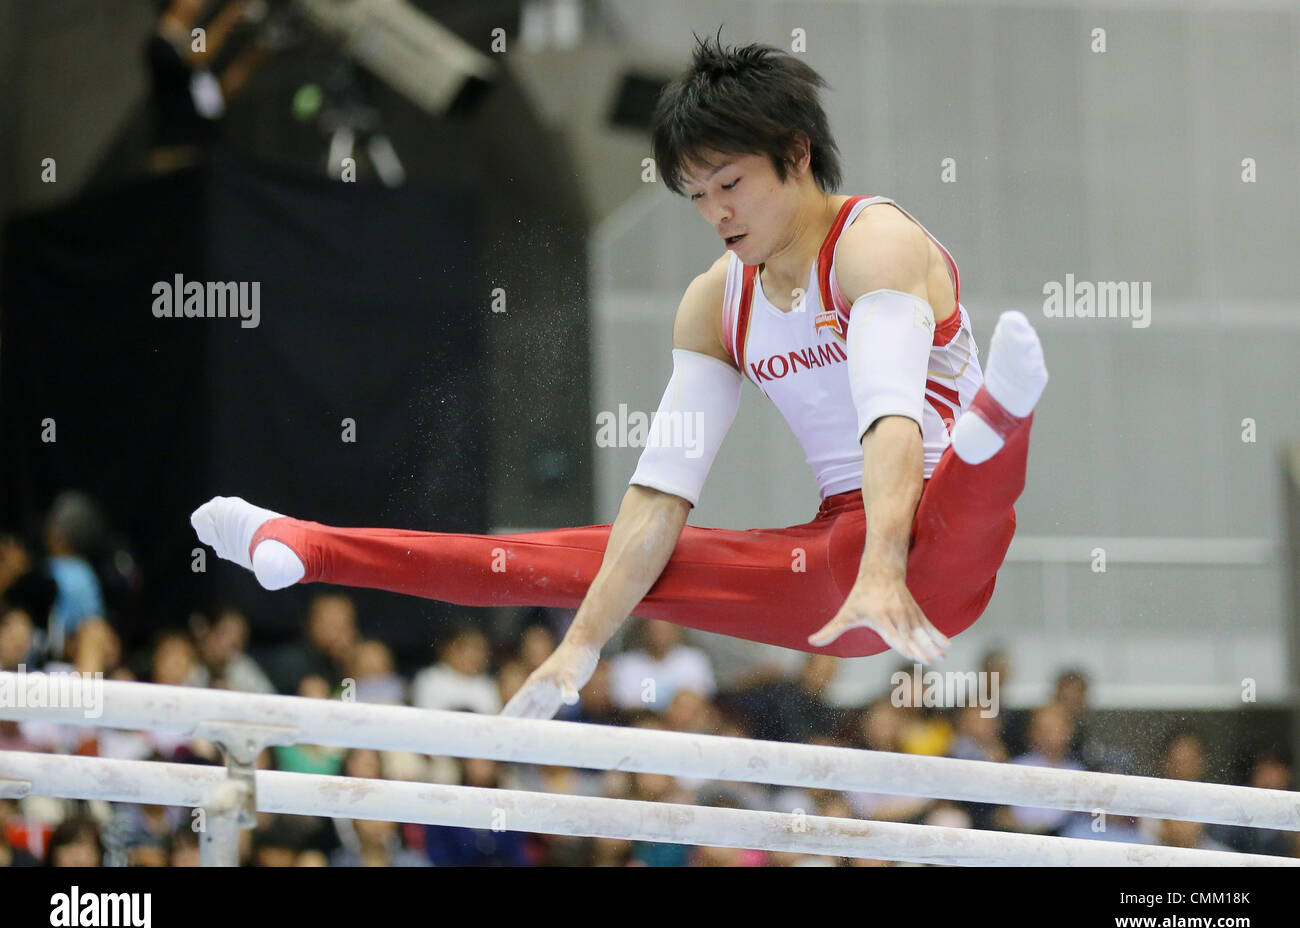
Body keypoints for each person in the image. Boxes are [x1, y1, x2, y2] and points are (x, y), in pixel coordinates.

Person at [189, 34, 1048, 722]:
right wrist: (580, 649)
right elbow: (662, 492)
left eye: (731, 183)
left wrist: (882, 567)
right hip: (832, 570)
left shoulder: (873, 243)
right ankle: (309, 548)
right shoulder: (716, 304)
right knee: (591, 556)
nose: (715, 212)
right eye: (695, 193)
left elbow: (890, 422)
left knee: (955, 503)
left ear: (795, 152)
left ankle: (999, 420)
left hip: (923, 543)